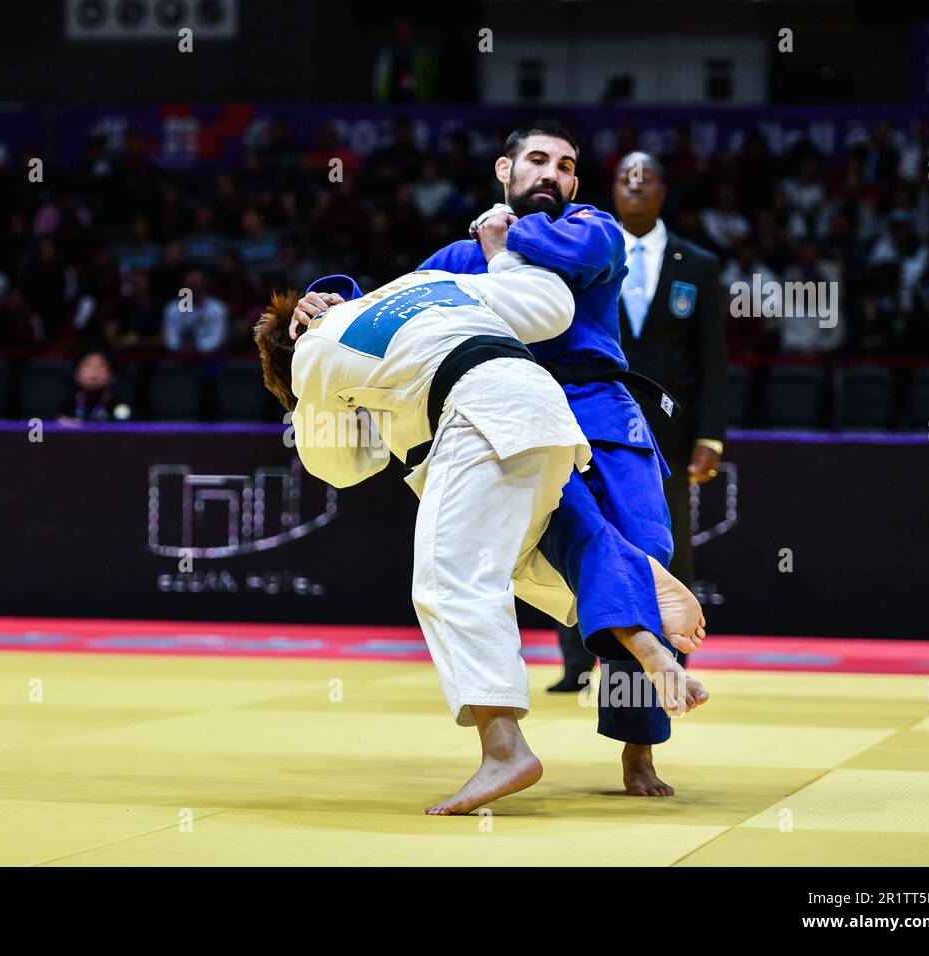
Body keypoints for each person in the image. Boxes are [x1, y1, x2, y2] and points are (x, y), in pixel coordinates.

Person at [293, 125, 697, 797]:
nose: (553, 173)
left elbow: (569, 251)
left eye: (566, 165)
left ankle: (638, 747)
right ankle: (638, 624)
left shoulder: (591, 226)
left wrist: (503, 237)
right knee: (572, 541)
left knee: (643, 548)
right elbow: (400, 305)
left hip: (599, 408)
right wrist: (329, 300)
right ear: (504, 169)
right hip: (508, 410)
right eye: (537, 160)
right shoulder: (460, 253)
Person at [613, 151, 727, 605]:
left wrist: (710, 434)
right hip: (599, 418)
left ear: (662, 191)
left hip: (671, 427)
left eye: (646, 177)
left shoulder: (698, 263)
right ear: (614, 191)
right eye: (625, 177)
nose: (635, 184)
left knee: (670, 537)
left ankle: (672, 643)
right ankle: (582, 647)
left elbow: (711, 357)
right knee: (592, 533)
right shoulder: (590, 259)